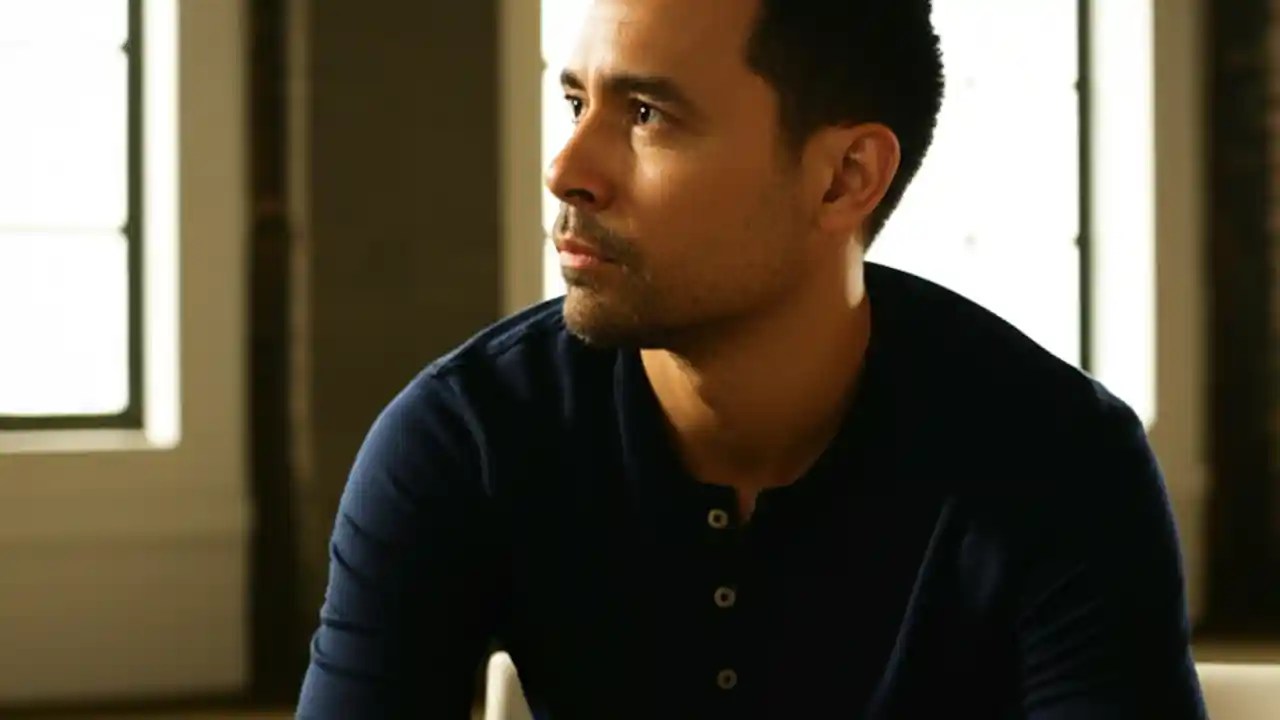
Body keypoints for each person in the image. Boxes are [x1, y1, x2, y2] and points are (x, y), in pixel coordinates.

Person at [296, 0, 1208, 717]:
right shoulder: (462, 442)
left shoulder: (1058, 463)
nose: (569, 166)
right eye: (577, 102)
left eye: (647, 114)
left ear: (846, 177)